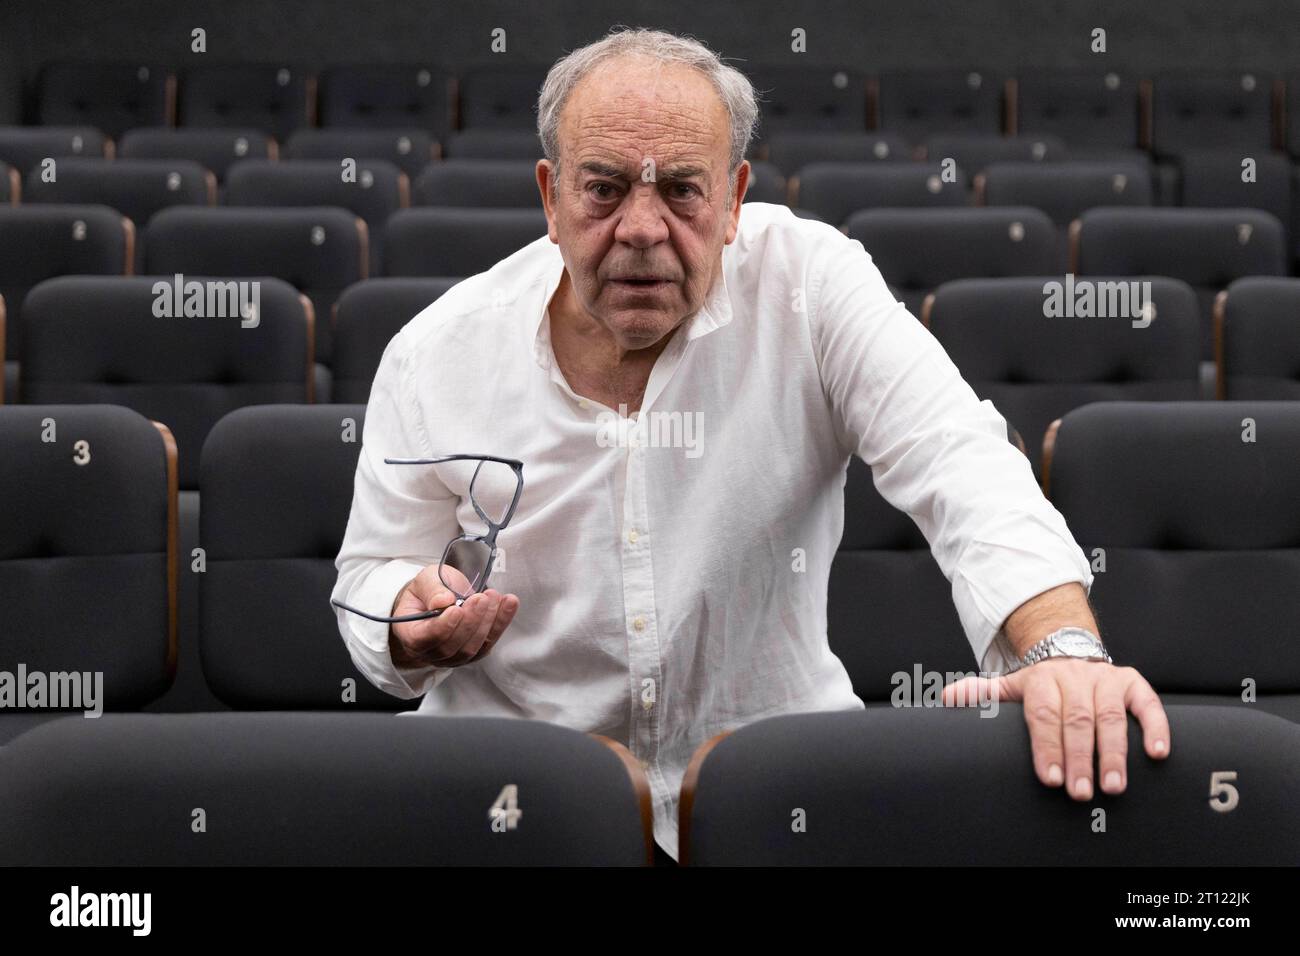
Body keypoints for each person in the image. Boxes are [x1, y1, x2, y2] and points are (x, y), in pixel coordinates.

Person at [332, 26, 1170, 863]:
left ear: (734, 199)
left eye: (684, 193)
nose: (642, 230)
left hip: (779, 791)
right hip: (522, 804)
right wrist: (405, 625)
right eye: (605, 189)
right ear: (551, 199)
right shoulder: (434, 354)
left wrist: (1063, 649)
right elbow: (369, 575)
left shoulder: (812, 284)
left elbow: (960, 458)